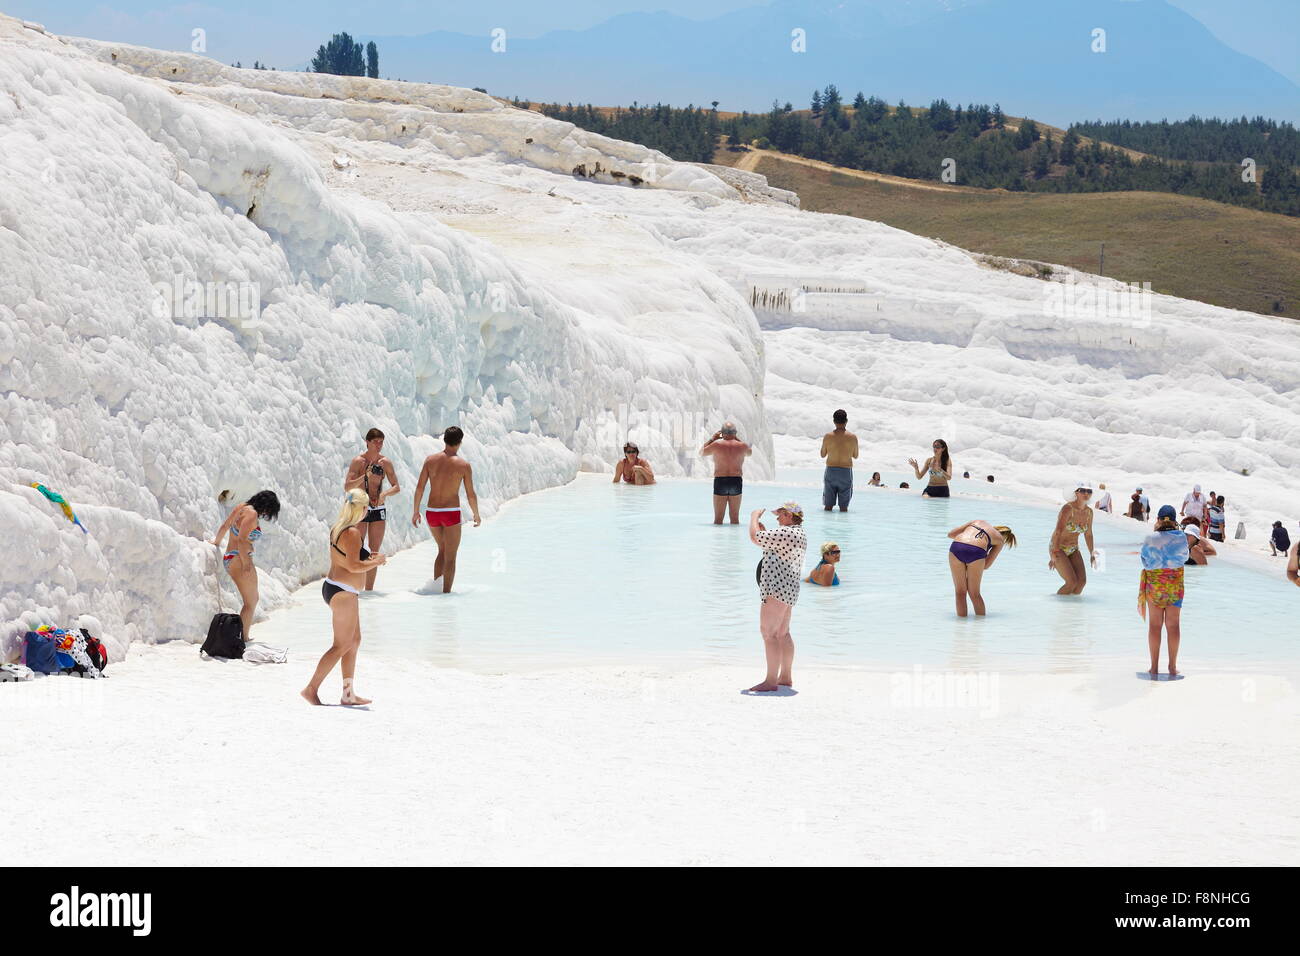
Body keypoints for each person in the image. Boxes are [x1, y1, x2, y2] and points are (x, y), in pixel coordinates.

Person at [302, 489, 387, 706]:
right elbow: (353, 566)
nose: (368, 511)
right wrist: (375, 562)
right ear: (361, 508)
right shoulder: (351, 532)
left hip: (340, 589)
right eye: (366, 507)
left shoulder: (340, 528)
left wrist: (369, 558)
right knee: (341, 644)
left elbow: (349, 557)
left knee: (354, 641)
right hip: (342, 591)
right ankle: (311, 689)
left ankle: (348, 694)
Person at [411, 426, 481, 593]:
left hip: (432, 512)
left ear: (445, 440)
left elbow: (420, 488)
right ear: (460, 442)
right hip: (450, 513)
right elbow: (471, 494)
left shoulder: (430, 460)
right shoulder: (463, 465)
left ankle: (436, 589)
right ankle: (446, 594)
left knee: (441, 550)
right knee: (450, 556)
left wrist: (415, 511)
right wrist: (476, 514)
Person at [748, 502, 807, 692]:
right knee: (783, 633)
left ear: (789, 515)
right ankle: (785, 677)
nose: (777, 519)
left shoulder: (788, 532)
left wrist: (754, 517)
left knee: (769, 633)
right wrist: (764, 532)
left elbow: (755, 537)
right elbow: (772, 546)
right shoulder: (799, 533)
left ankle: (771, 680)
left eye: (780, 515)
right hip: (788, 589)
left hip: (776, 589)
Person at [211, 489, 281, 642]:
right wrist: (246, 564)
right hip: (240, 559)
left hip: (230, 557)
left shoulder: (242, 507)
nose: (266, 514)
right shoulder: (252, 514)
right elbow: (242, 540)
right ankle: (242, 639)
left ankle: (242, 636)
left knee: (251, 600)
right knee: (251, 601)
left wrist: (216, 542)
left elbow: (225, 525)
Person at [344, 428, 400, 591]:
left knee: (374, 552)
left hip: (377, 507)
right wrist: (365, 476)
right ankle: (354, 588)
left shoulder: (385, 462)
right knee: (357, 550)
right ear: (367, 442)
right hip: (359, 508)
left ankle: (369, 592)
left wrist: (384, 494)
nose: (379, 445)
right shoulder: (358, 461)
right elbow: (347, 487)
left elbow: (396, 486)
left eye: (381, 442)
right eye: (375, 442)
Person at [1139, 505, 1191, 677]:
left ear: (1158, 519)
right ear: (1175, 521)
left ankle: (1154, 667)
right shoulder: (1181, 537)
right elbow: (1185, 557)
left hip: (1155, 586)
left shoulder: (1150, 538)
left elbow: (1144, 560)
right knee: (1173, 625)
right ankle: (1172, 667)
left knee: (1155, 626)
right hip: (1175, 585)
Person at [946, 520, 1016, 616]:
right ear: (1005, 538)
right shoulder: (999, 540)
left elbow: (951, 534)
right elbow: (986, 565)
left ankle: (961, 624)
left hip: (957, 547)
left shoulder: (977, 521)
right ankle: (980, 624)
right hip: (976, 551)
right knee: (974, 593)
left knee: (960, 592)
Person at [701, 422, 752, 524]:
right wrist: (736, 439)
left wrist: (713, 439)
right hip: (736, 482)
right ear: (735, 433)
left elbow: (701, 452)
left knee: (718, 519)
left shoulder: (716, 445)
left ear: (722, 433)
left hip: (721, 481)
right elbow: (749, 452)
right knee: (735, 518)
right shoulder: (742, 446)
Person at [1049, 485, 1096, 595]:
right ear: (1076, 493)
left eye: (1089, 491)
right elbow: (1058, 531)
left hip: (1073, 548)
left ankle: (1072, 605)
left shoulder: (1089, 512)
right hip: (1058, 547)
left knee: (1081, 582)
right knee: (1071, 582)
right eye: (1083, 490)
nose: (1086, 493)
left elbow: (1088, 534)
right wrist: (1054, 553)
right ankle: (1056, 603)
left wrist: (1092, 554)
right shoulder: (1068, 509)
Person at [819, 409, 859, 512]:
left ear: (834, 421)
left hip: (831, 471)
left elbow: (822, 454)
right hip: (845, 472)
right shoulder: (853, 437)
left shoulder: (828, 436)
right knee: (844, 508)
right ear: (846, 421)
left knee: (828, 506)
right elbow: (855, 456)